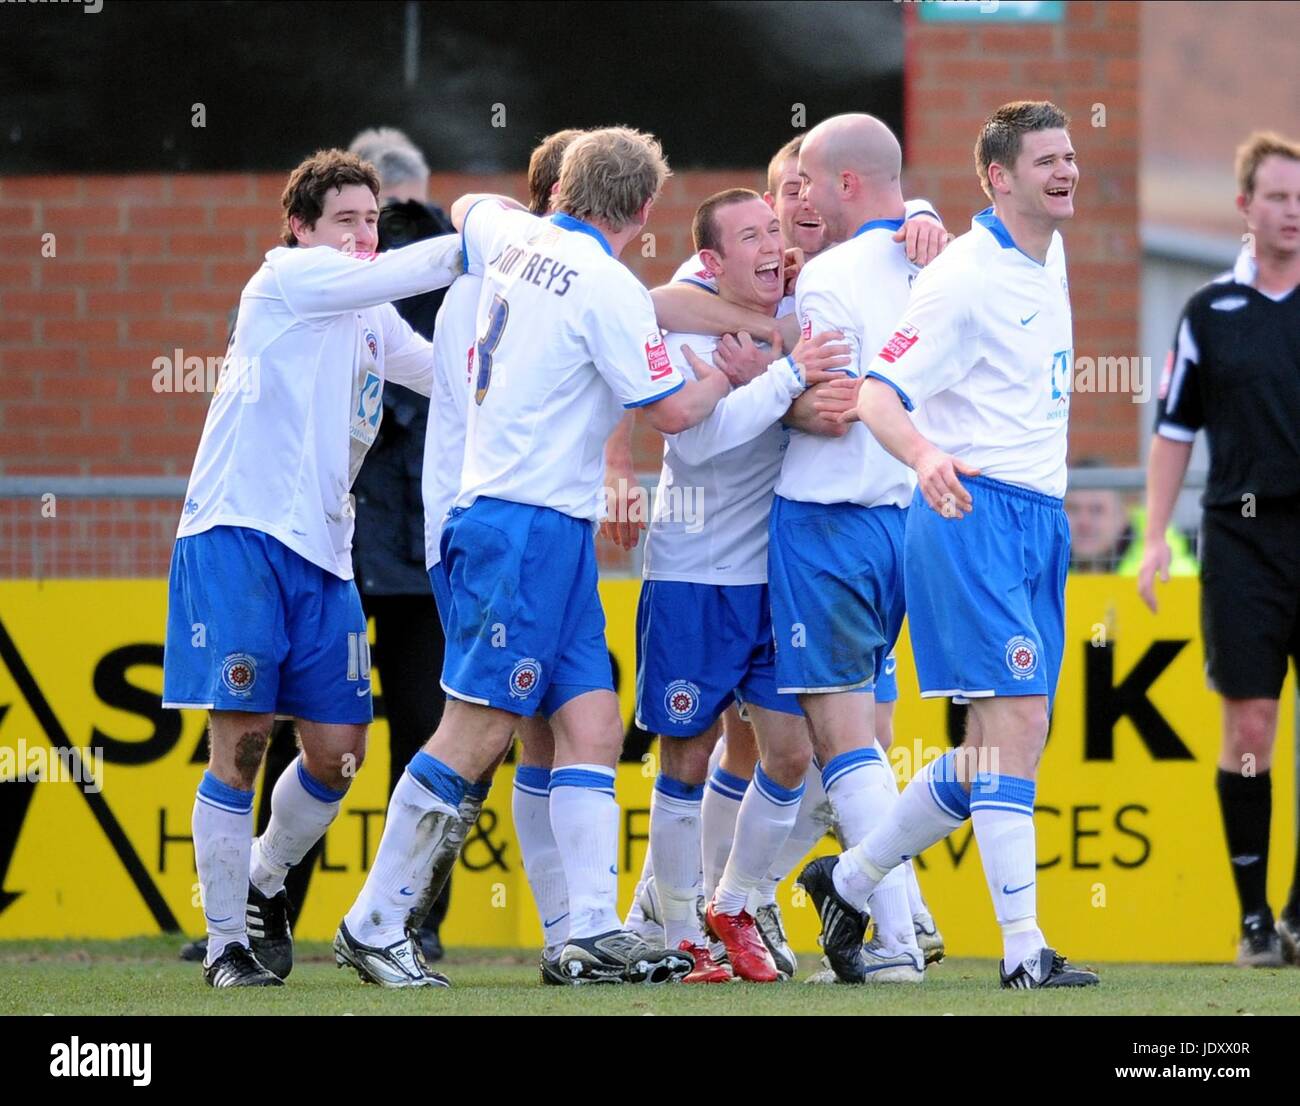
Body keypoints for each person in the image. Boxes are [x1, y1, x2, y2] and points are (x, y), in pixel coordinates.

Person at [338, 127, 738, 987]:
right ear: (642, 209)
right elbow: (671, 412)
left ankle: (585, 933)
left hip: (530, 524)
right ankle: (374, 921)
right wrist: (734, 374)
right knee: (475, 730)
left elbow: (472, 206)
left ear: (561, 190)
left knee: (591, 720)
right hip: (522, 526)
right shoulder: (609, 286)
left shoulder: (511, 232)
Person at [803, 101, 1099, 990]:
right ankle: (1024, 953)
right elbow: (876, 396)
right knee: (1013, 728)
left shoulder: (1052, 260)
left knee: (1004, 746)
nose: (1066, 171)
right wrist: (928, 454)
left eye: (1070, 155)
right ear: (997, 178)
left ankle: (847, 881)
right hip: (974, 515)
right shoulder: (964, 276)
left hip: (1037, 522)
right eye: (1045, 160)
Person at [162, 149, 461, 987]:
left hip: (327, 553)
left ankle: (259, 884)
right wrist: (487, 238)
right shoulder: (287, 280)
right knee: (246, 737)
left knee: (338, 755)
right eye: (346, 220)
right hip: (241, 534)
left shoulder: (369, 315)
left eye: (372, 220)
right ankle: (227, 947)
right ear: (300, 228)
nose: (364, 235)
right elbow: (414, 264)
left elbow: (444, 375)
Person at [632, 188, 850, 981]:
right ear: (712, 261)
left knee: (790, 753)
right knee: (685, 755)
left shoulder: (800, 299)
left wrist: (773, 366)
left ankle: (737, 900)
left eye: (775, 231)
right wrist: (787, 371)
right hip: (693, 573)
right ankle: (677, 931)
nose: (771, 244)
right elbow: (701, 441)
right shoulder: (687, 324)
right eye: (751, 234)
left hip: (773, 578)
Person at [1139, 131, 1300, 967]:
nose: (1294, 211)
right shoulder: (1210, 312)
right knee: (1252, 726)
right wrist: (1156, 537)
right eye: (1278, 196)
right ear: (1246, 207)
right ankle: (1253, 922)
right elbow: (1173, 431)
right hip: (1241, 539)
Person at [345, 127, 458, 961]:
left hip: (338, 541)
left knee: (293, 726)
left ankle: (254, 915)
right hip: (429, 542)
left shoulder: (329, 267)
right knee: (430, 736)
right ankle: (416, 923)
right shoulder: (463, 257)